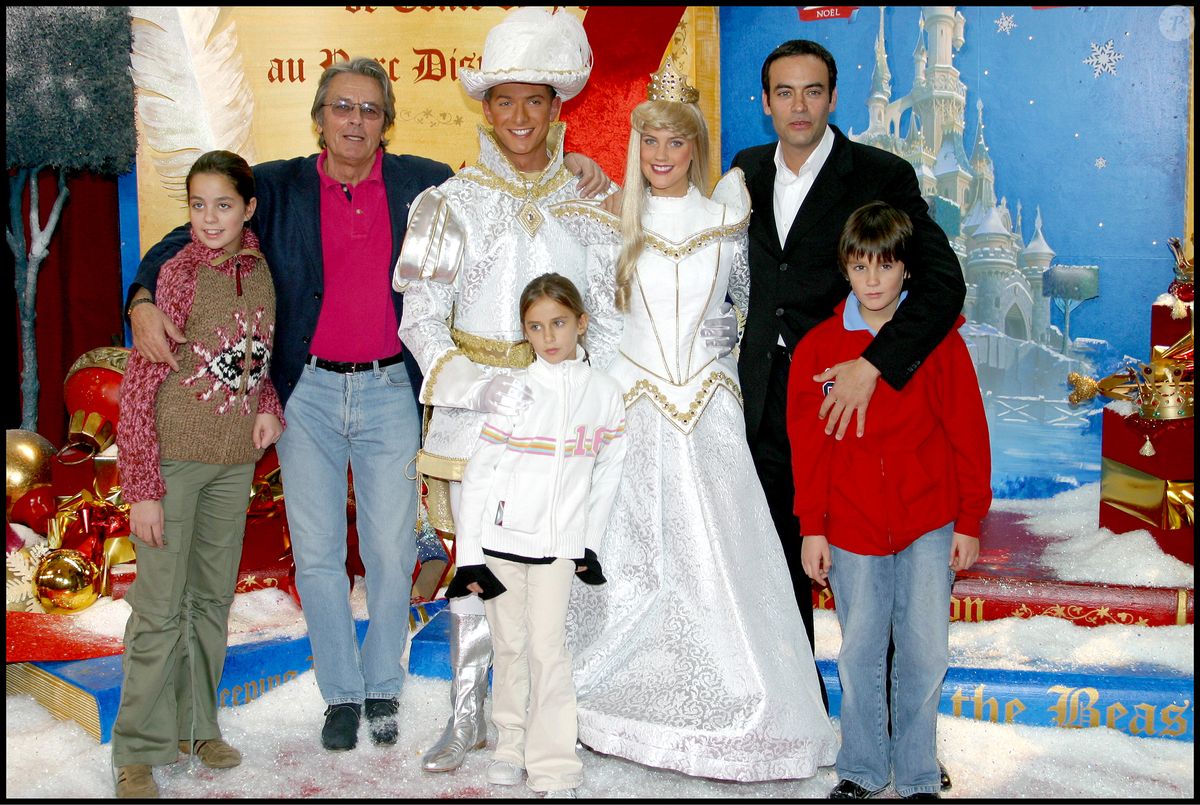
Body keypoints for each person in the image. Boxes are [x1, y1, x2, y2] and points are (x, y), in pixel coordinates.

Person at [127, 58, 457, 753]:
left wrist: (572, 168)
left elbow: (497, 205)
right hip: (303, 392)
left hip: (390, 387)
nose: (355, 121)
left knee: (394, 553)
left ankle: (383, 685)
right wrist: (142, 298)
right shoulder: (273, 187)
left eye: (370, 109)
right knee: (316, 553)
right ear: (319, 117)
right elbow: (180, 237)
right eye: (342, 107)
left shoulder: (424, 183)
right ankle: (340, 692)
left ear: (386, 121)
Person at [554, 58, 837, 782]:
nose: (660, 156)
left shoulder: (728, 219)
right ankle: (620, 700)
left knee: (722, 568)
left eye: (674, 143)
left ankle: (744, 708)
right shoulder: (611, 222)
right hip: (641, 410)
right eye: (649, 142)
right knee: (640, 564)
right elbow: (603, 325)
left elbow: (747, 308)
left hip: (708, 415)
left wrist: (720, 366)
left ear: (696, 148)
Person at [393, 7, 616, 774]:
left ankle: (549, 721)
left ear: (559, 108)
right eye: (505, 100)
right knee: (476, 579)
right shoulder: (445, 204)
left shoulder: (589, 200)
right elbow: (419, 320)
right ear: (485, 108)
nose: (520, 117)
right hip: (476, 427)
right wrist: (474, 387)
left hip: (561, 429)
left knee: (550, 583)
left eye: (536, 100)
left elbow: (610, 314)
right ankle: (467, 718)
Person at [730, 39, 966, 703]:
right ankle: (797, 714)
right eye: (784, 92)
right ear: (766, 102)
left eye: (812, 91)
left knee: (878, 581)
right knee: (781, 566)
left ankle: (899, 728)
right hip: (766, 404)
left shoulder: (879, 175)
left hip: (853, 408)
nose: (798, 105)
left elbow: (945, 285)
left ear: (834, 99)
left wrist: (875, 364)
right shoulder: (745, 171)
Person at [787, 201, 990, 800]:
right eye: (860, 266)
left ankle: (920, 772)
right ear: (845, 270)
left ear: (907, 270)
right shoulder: (819, 349)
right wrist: (813, 528)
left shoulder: (939, 343)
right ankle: (862, 769)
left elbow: (967, 433)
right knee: (860, 653)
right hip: (851, 527)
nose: (873, 280)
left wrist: (969, 518)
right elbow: (808, 449)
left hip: (929, 521)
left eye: (886, 266)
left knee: (925, 651)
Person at [113, 150, 284, 799]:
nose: (208, 218)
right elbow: (138, 389)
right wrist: (145, 489)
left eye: (222, 205)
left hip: (231, 463)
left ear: (248, 208)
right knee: (158, 607)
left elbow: (251, 359)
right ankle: (136, 748)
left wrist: (266, 409)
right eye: (197, 204)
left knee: (210, 600)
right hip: (175, 464)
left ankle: (195, 724)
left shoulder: (263, 272)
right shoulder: (176, 274)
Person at [446, 273, 627, 797]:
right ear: (524, 332)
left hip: (558, 550)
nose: (549, 337)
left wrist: (588, 542)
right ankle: (509, 744)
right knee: (511, 645)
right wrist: (469, 558)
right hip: (502, 547)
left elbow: (608, 472)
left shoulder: (605, 396)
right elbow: (479, 475)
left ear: (581, 324)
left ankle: (554, 766)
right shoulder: (516, 394)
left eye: (559, 323)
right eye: (536, 327)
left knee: (549, 649)